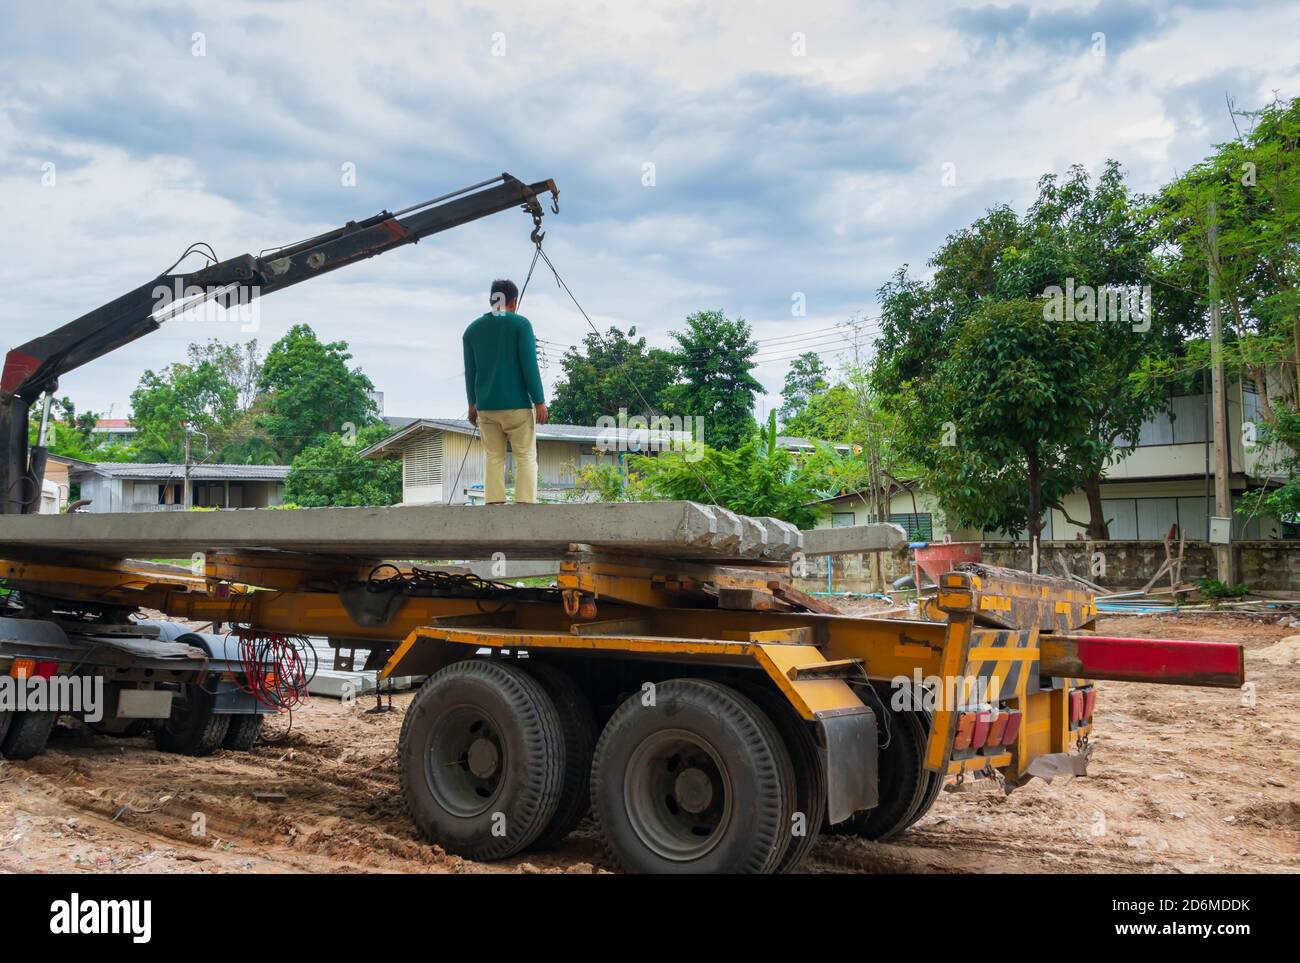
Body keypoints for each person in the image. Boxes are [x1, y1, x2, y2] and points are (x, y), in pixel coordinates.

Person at [462, 278, 549, 504]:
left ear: (492, 300)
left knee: (493, 457)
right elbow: (529, 366)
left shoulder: (471, 331)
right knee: (526, 456)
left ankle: (494, 503)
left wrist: (472, 404)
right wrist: (539, 401)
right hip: (517, 406)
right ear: (513, 301)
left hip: (486, 407)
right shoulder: (521, 325)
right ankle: (525, 505)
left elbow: (470, 373)